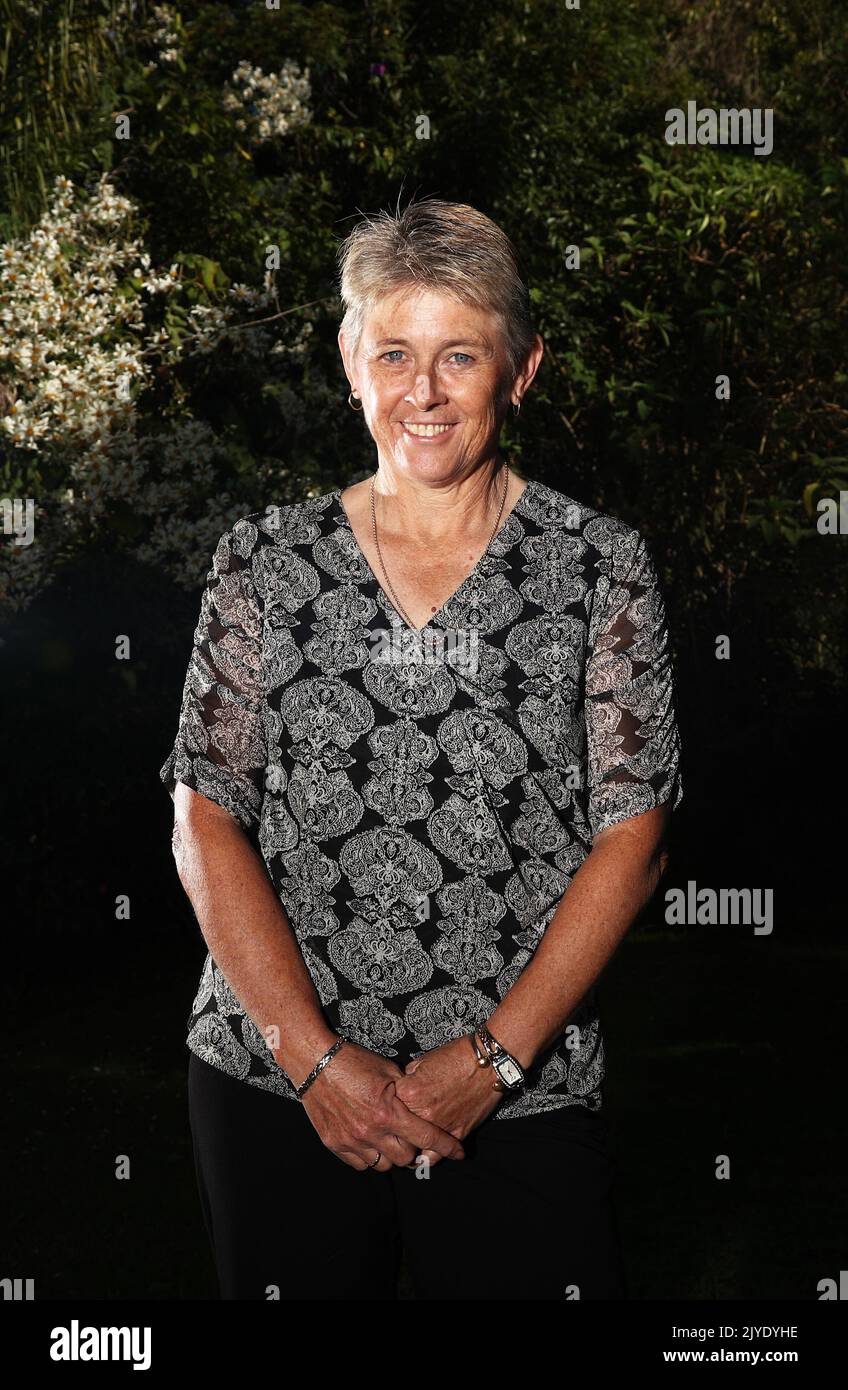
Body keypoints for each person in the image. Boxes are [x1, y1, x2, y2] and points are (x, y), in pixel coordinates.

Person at [160, 196, 683, 1301]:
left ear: (521, 368)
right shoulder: (262, 559)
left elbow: (630, 837)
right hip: (274, 1089)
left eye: (460, 354)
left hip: (519, 1099)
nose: (423, 391)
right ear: (351, 359)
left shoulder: (600, 567)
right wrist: (312, 1062)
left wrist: (488, 1062)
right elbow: (205, 815)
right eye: (394, 352)